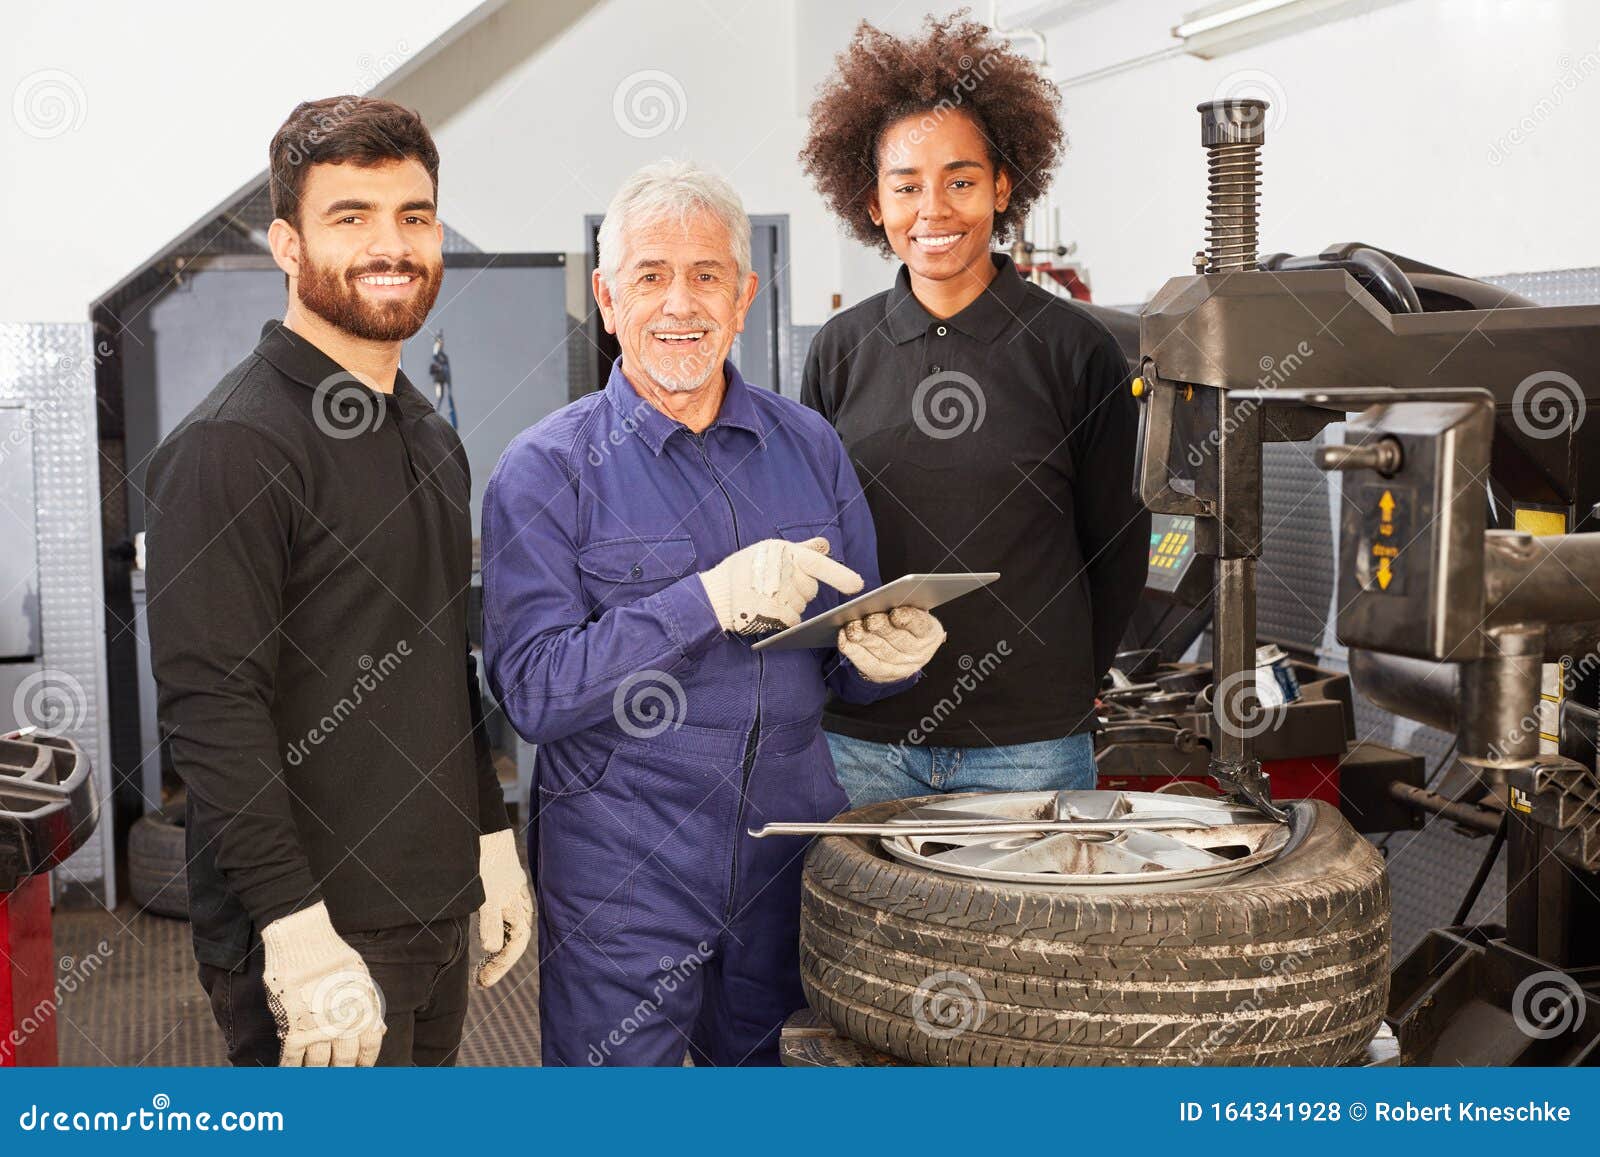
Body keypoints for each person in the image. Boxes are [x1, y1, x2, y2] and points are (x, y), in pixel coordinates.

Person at [481, 159, 943, 1067]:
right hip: (625, 873)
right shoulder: (545, 470)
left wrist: (891, 658)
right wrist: (705, 602)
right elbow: (533, 691)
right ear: (609, 301)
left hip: (789, 856)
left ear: (745, 296)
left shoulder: (808, 445)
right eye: (650, 277)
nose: (679, 303)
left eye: (706, 276)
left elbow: (850, 644)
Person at [144, 96, 531, 1067]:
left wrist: (489, 837)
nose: (389, 244)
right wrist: (293, 927)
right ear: (287, 242)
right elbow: (213, 709)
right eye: (349, 216)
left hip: (432, 903)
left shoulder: (431, 439)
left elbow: (446, 664)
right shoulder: (231, 447)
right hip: (314, 925)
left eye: (413, 215)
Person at [798, 15, 1149, 807]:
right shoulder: (839, 351)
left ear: (1002, 185)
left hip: (1029, 748)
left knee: (1031, 939)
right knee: (859, 937)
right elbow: (810, 538)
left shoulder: (1074, 349)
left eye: (960, 180)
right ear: (872, 201)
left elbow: (1118, 545)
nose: (934, 209)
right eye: (906, 185)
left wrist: (1065, 689)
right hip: (862, 740)